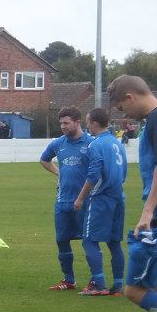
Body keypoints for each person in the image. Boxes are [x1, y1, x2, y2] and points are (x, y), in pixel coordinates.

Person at [108, 75, 157, 312]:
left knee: (134, 290)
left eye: (122, 109)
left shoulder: (154, 120)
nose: (126, 117)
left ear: (130, 97)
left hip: (155, 217)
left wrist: (148, 211)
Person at [73, 107, 127, 296]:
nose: (87, 126)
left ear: (94, 123)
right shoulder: (117, 143)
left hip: (101, 198)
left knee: (89, 240)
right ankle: (118, 285)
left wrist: (80, 198)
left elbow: (94, 174)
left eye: (88, 122)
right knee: (114, 242)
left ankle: (99, 284)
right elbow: (124, 171)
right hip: (118, 196)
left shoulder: (95, 145)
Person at [40, 107, 93, 291]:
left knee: (89, 241)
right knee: (61, 240)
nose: (62, 126)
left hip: (85, 201)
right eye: (61, 123)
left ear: (77, 122)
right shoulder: (58, 143)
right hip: (62, 200)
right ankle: (69, 280)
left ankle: (95, 279)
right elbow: (44, 159)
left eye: (66, 123)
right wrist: (58, 172)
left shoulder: (91, 143)